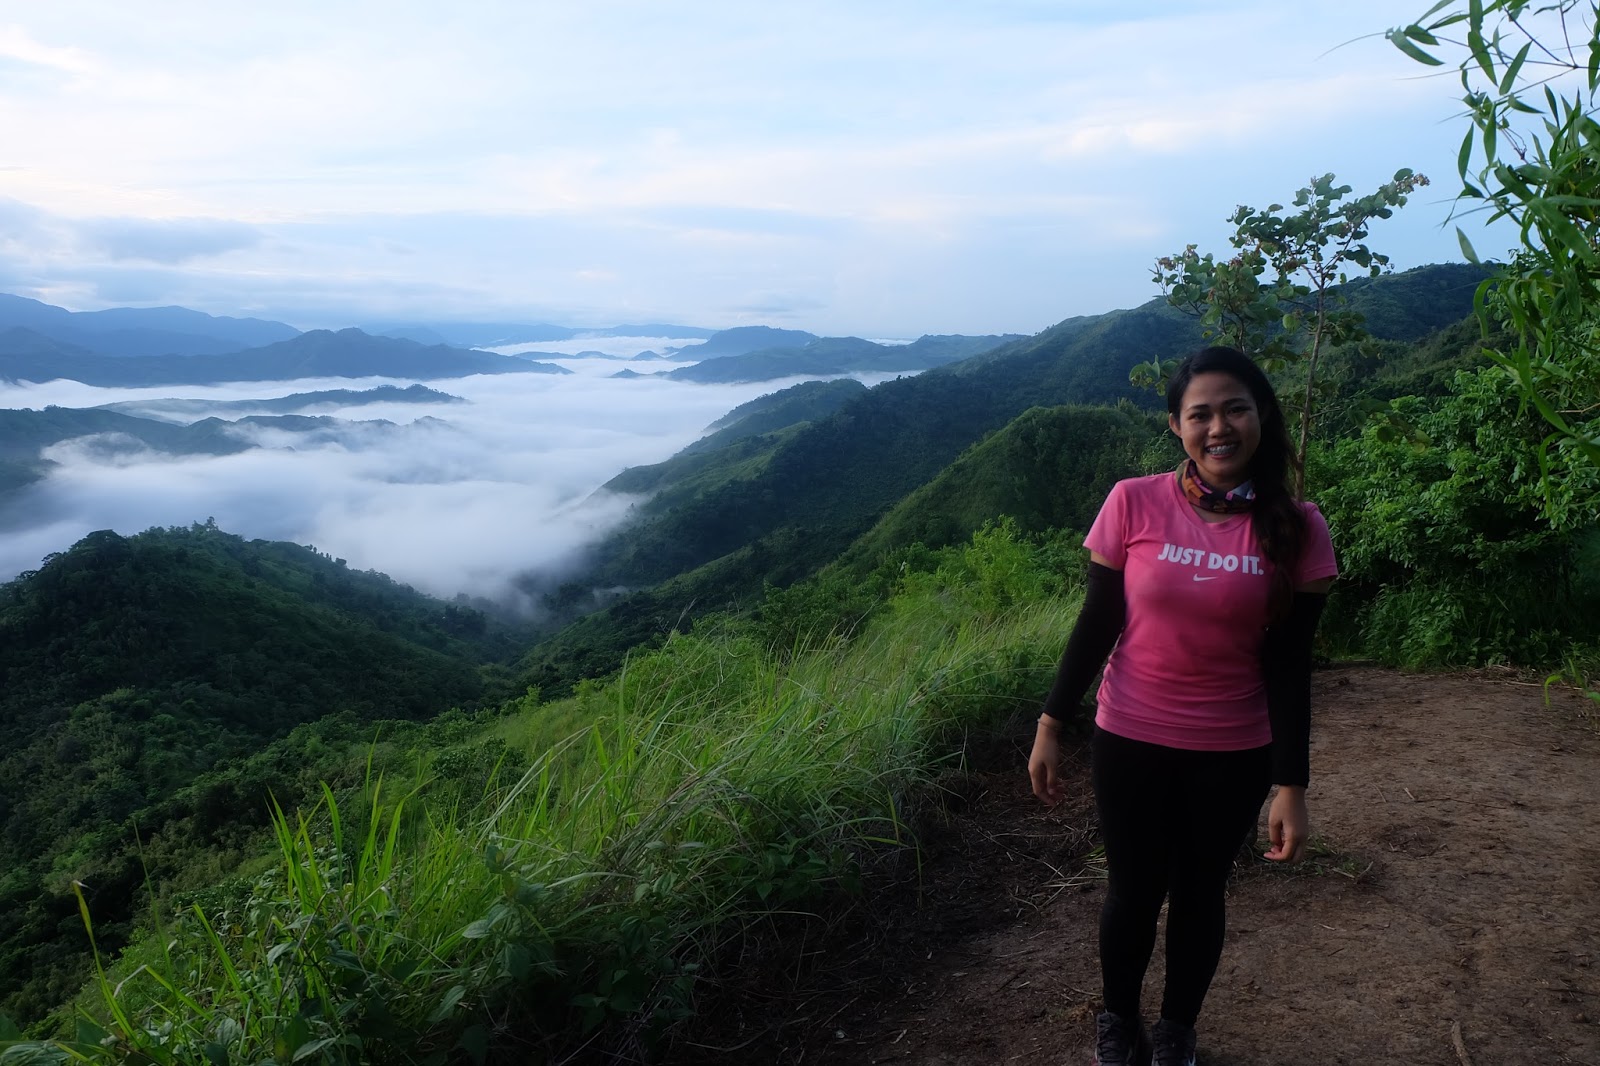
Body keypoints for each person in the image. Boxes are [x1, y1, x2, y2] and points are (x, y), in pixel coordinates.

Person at [1027, 346, 1337, 1066]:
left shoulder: (1299, 527)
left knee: (1201, 892)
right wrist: (1051, 723)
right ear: (1176, 426)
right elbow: (1096, 623)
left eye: (1235, 408)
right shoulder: (1133, 501)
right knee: (1133, 891)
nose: (1219, 426)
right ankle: (1117, 1023)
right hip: (1130, 733)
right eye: (1200, 414)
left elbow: (1291, 669)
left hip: (1234, 747)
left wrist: (1293, 783)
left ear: (1261, 414)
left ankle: (1176, 1032)